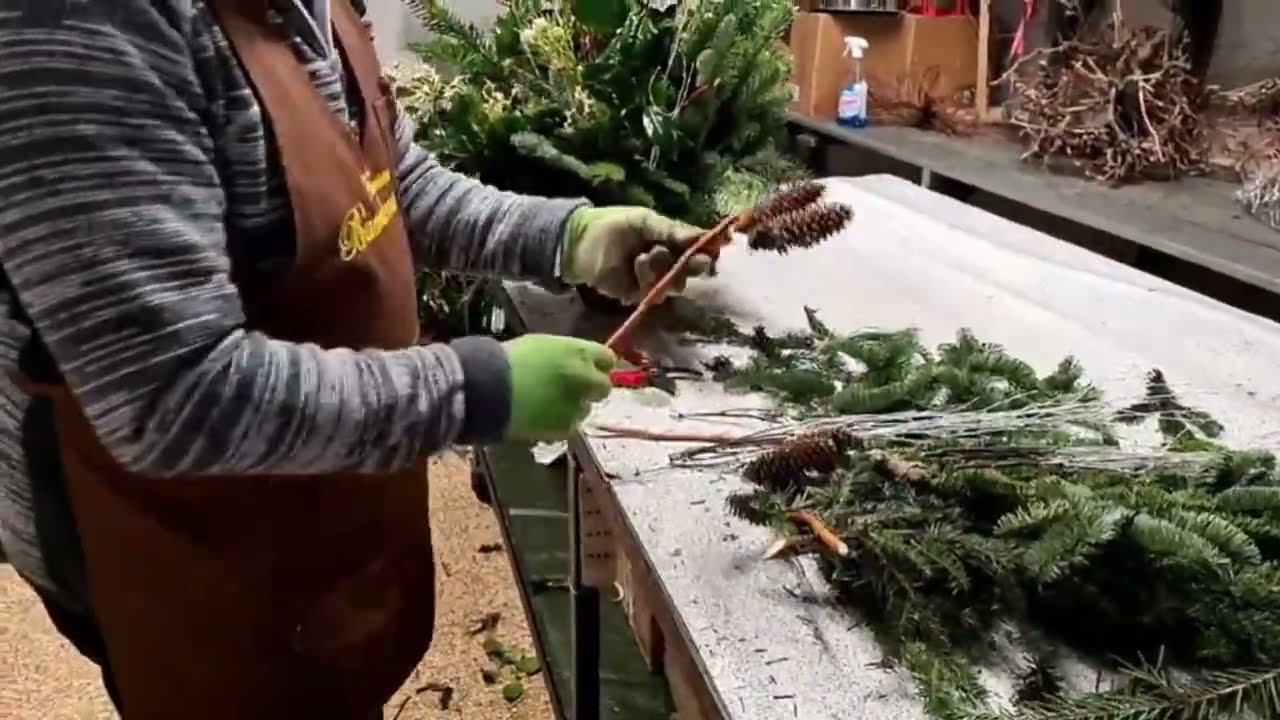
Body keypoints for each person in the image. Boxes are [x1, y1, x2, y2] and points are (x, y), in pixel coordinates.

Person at [0, 0, 714, 717]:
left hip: (303, 514)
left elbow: (385, 184)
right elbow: (172, 397)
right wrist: (472, 389)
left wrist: (565, 237)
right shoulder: (80, 28)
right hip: (182, 543)